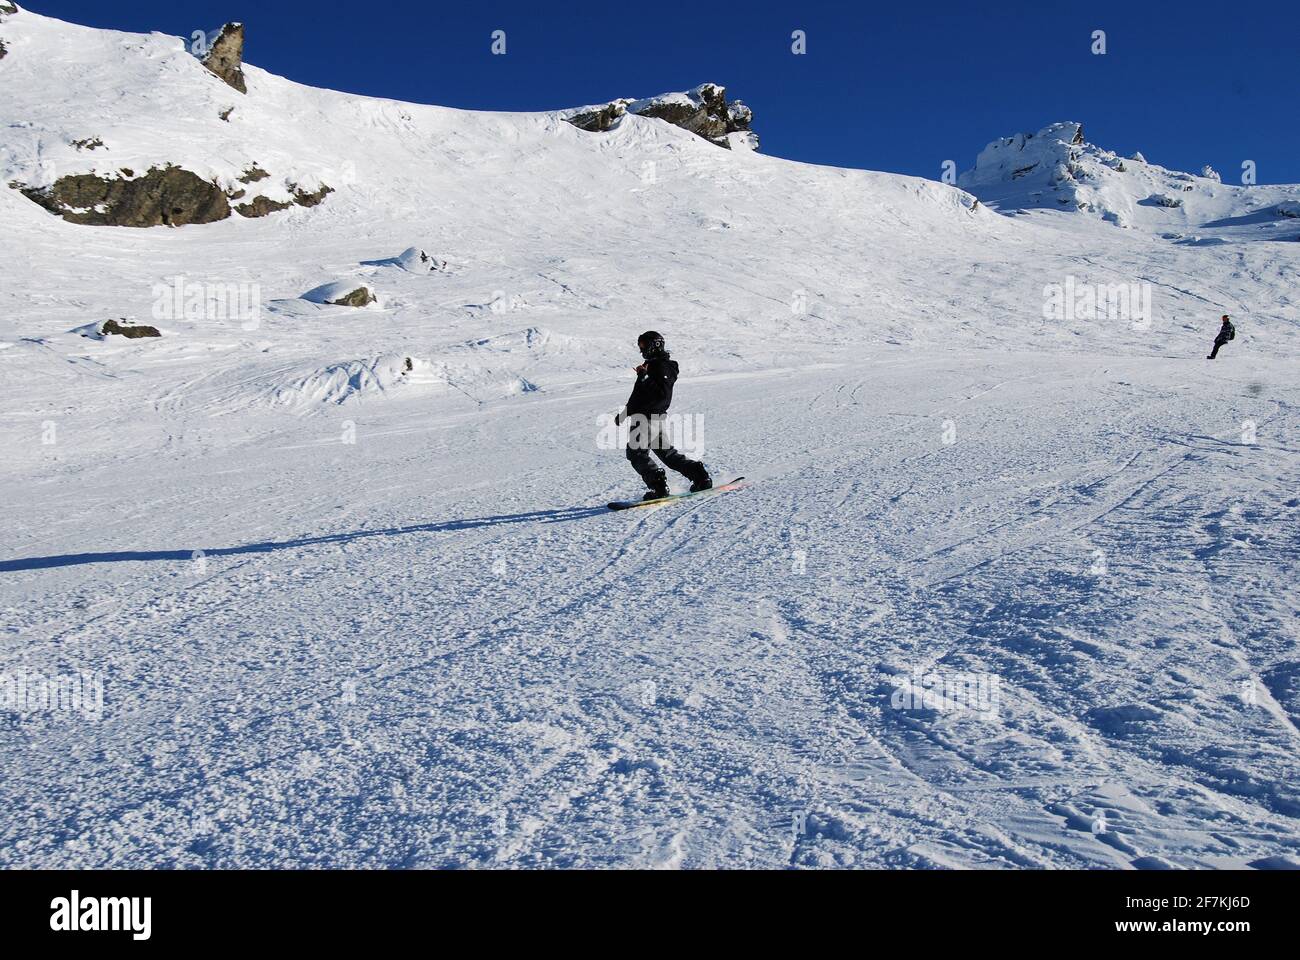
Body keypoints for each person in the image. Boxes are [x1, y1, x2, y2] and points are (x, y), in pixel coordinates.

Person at [614, 331, 712, 500]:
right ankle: (699, 476)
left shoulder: (664, 366)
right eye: (640, 346)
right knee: (667, 454)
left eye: (644, 345)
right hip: (651, 418)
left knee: (636, 454)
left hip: (647, 418)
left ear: (656, 345)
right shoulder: (650, 366)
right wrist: (625, 413)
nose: (642, 350)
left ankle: (658, 486)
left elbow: (662, 394)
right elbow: (639, 394)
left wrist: (644, 377)